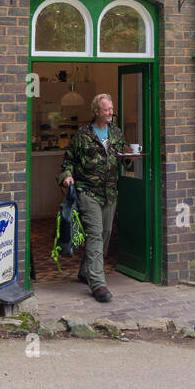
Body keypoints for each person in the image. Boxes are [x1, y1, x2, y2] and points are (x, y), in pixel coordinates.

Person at [60, 93, 129, 302]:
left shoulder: (116, 133)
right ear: (96, 111)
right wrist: (67, 176)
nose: (111, 112)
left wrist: (129, 158)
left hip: (109, 193)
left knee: (106, 233)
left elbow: (122, 158)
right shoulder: (83, 135)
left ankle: (85, 271)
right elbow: (68, 160)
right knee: (96, 234)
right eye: (107, 109)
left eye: (111, 109)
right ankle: (98, 284)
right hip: (87, 191)